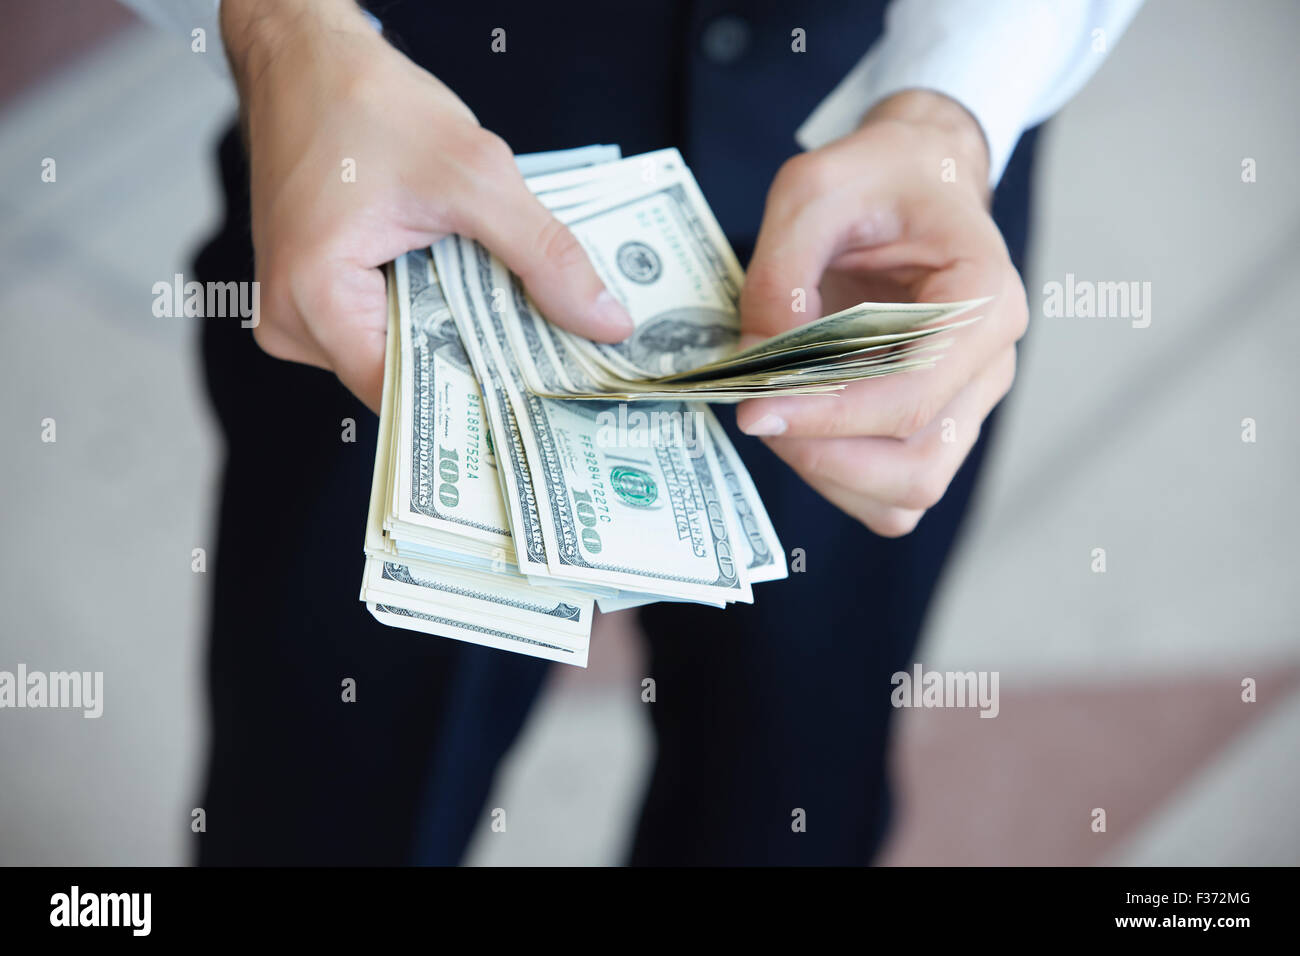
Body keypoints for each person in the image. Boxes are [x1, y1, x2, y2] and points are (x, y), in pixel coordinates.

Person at [121, 0, 1141, 864]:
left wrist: (950, 109)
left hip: (876, 219)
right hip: (398, 196)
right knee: (325, 803)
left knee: (787, 802)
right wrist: (279, 28)